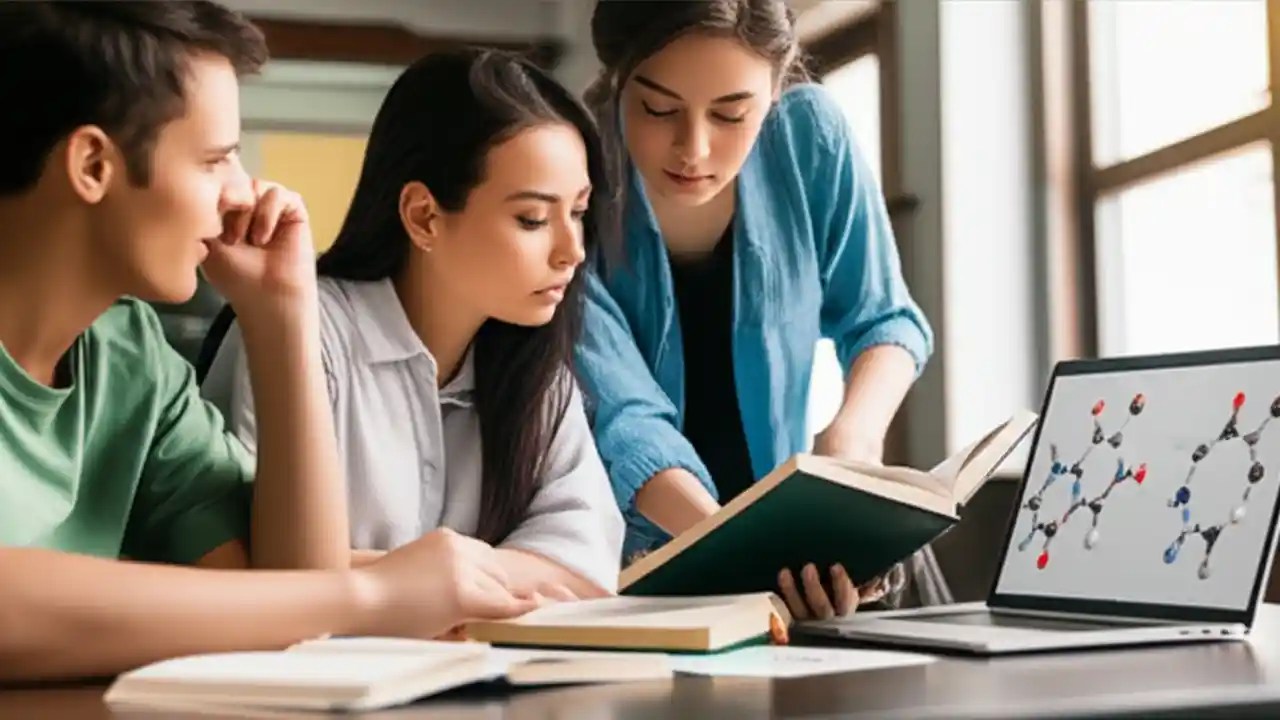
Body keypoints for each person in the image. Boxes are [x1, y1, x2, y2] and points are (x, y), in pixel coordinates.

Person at [0, 2, 534, 683]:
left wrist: (282, 318)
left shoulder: (133, 359)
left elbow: (287, 597)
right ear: (94, 165)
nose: (241, 194)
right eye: (215, 160)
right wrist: (374, 595)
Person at [201, 49, 624, 601]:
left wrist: (409, 574)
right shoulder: (295, 329)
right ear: (424, 216)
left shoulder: (536, 370)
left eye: (578, 212)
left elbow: (585, 575)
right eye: (533, 219)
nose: (571, 250)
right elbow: (267, 578)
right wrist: (480, 574)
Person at [576, 0, 937, 621]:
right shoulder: (572, 177)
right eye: (658, 109)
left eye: (731, 113)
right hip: (651, 556)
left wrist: (851, 441)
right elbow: (627, 423)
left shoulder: (810, 137)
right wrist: (749, 560)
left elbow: (884, 320)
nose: (694, 149)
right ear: (617, 83)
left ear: (774, 89)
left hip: (788, 552)